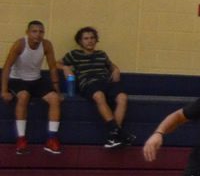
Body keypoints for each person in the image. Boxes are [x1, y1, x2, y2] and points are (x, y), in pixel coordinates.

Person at [61, 26, 134, 148]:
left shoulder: (101, 54)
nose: (89, 41)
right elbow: (57, 63)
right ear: (80, 41)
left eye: (92, 38)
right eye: (86, 38)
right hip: (88, 83)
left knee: (122, 97)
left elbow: (111, 65)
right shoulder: (74, 55)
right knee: (99, 95)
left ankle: (114, 135)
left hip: (105, 82)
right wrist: (65, 68)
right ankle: (118, 133)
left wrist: (115, 69)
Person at [3, 20, 62, 154]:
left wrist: (57, 90)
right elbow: (7, 67)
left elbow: (53, 68)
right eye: (34, 31)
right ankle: (21, 139)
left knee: (54, 98)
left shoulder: (46, 45)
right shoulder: (20, 44)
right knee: (24, 96)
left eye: (41, 32)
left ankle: (52, 139)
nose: (38, 34)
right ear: (28, 33)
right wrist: (4, 91)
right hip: (18, 79)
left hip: (36, 79)